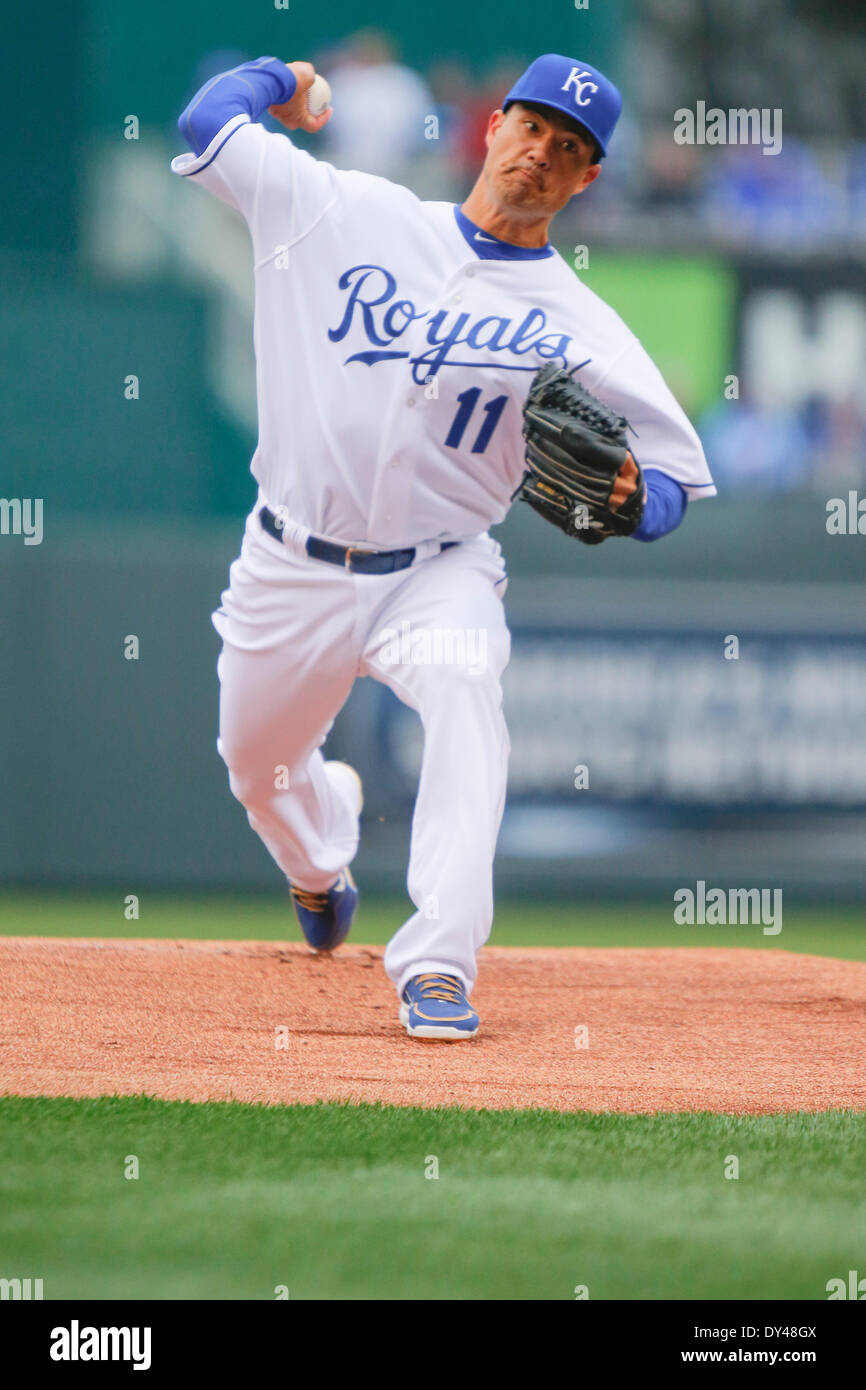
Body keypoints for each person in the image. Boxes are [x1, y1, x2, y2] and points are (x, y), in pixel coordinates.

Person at [171, 51, 715, 1041]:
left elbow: (679, 482)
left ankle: (436, 967)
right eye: (533, 127)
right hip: (287, 562)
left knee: (467, 696)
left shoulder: (578, 322)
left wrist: (640, 505)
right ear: (494, 123)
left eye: (569, 148)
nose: (541, 154)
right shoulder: (342, 214)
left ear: (586, 179)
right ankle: (317, 859)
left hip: (438, 569)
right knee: (256, 767)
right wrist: (283, 78)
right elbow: (205, 122)